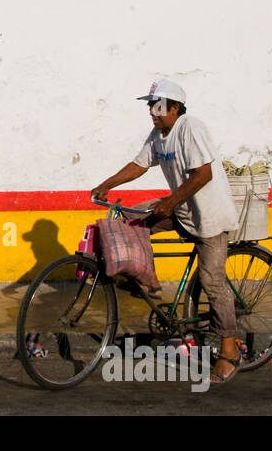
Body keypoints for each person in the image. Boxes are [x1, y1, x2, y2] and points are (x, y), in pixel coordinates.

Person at [90, 79, 242, 385]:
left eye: (157, 105)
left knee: (212, 282)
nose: (151, 111)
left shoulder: (191, 128)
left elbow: (204, 174)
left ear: (175, 108)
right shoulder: (159, 134)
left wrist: (170, 202)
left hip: (210, 217)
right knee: (130, 222)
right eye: (149, 105)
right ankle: (147, 282)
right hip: (183, 211)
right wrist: (107, 184)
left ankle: (230, 350)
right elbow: (139, 164)